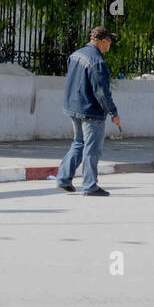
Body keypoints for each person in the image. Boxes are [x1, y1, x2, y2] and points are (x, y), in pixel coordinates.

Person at [56, 25, 121, 196]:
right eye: (108, 41)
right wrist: (113, 113)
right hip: (91, 111)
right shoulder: (97, 61)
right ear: (101, 41)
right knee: (92, 149)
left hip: (73, 107)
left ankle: (63, 178)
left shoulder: (75, 54)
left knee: (79, 143)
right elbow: (102, 92)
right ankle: (90, 185)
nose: (109, 45)